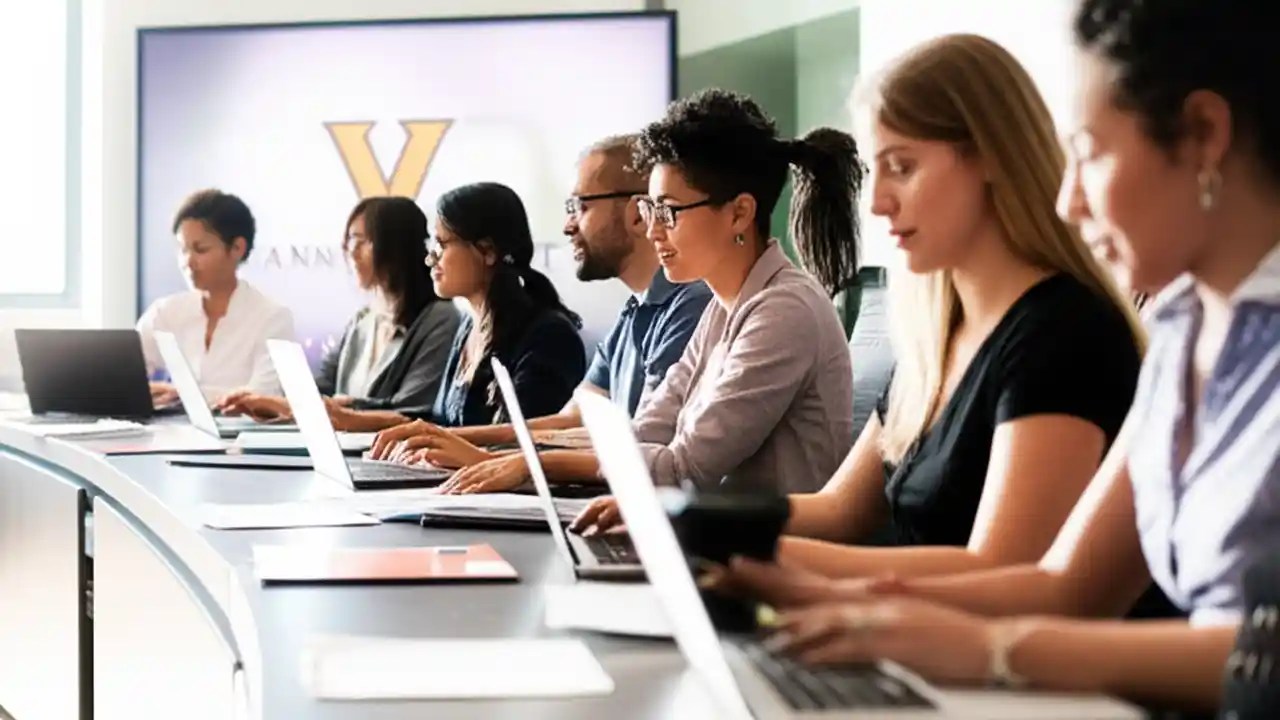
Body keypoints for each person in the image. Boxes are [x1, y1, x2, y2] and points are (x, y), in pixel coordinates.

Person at [714, 1, 1280, 712]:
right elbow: (1067, 584)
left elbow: (1260, 659)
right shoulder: (1184, 332)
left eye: (1092, 153)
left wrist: (991, 649)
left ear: (1202, 135)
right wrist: (833, 592)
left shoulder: (1070, 329)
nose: (1072, 199)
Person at [576, 34, 1144, 582]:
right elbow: (840, 510)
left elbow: (1002, 573)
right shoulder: (937, 336)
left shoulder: (1064, 333)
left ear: (990, 158)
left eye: (903, 167)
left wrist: (717, 546)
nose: (876, 203)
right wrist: (687, 524)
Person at [415, 88, 863, 496]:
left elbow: (684, 467)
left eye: (668, 212)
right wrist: (518, 462)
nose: (651, 229)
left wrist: (532, 467)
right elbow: (644, 432)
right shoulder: (727, 307)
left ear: (739, 213)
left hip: (763, 568)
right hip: (702, 542)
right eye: (649, 209)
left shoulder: (783, 310)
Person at [367, 134, 712, 462]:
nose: (567, 225)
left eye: (580, 206)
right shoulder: (633, 312)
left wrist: (489, 458)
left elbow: (644, 446)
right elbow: (572, 421)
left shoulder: (690, 307)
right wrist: (452, 441)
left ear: (637, 213)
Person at [285, 182, 587, 433]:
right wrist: (354, 419)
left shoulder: (546, 336)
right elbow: (440, 422)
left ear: (488, 251)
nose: (431, 258)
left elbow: (525, 441)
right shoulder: (470, 328)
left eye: (443, 244)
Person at [216, 197, 460, 421]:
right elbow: (322, 386)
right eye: (349, 241)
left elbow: (414, 409)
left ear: (395, 245)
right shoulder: (363, 320)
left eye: (361, 241)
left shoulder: (439, 318)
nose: (351, 253)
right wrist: (270, 404)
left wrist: (341, 408)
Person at [137, 189, 295, 406]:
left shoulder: (273, 318)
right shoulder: (165, 312)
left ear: (237, 248)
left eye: (200, 250)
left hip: (240, 438)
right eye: (183, 250)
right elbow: (125, 376)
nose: (188, 262)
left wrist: (182, 395)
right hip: (172, 434)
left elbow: (261, 396)